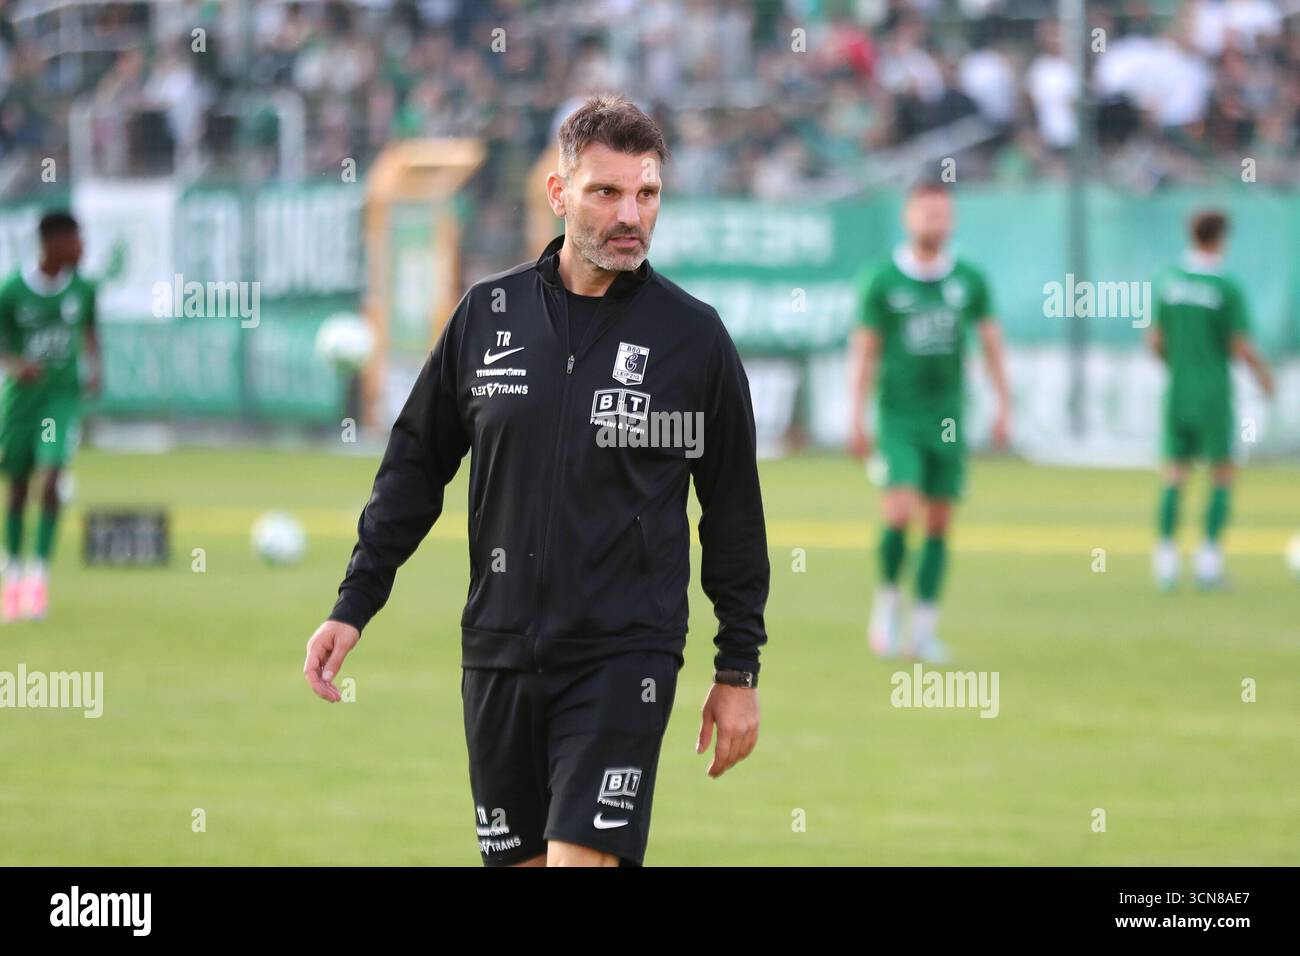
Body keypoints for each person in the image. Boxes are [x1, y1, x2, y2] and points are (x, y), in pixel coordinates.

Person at [304, 94, 770, 867]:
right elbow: (415, 470)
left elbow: (732, 514)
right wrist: (355, 603)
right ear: (559, 195)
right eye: (607, 192)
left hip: (624, 658)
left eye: (647, 194)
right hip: (497, 654)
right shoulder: (487, 315)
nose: (632, 215)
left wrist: (738, 667)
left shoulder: (693, 339)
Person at [847, 181, 1010, 663]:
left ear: (951, 221)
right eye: (926, 214)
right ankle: (886, 605)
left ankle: (923, 629)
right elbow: (865, 349)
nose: (933, 222)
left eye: (942, 215)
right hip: (898, 417)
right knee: (899, 511)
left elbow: (992, 341)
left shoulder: (970, 280)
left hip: (950, 419)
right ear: (908, 217)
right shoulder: (882, 280)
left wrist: (1005, 403)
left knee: (939, 522)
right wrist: (855, 414)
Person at [1149, 209, 1274, 591]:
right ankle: (1208, 563)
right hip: (1214, 393)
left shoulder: (1168, 281)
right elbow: (1240, 345)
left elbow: (1155, 340)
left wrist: (1177, 366)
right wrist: (1265, 377)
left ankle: (1166, 562)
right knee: (1221, 474)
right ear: (1220, 238)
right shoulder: (1226, 287)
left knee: (1174, 473)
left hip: (1177, 389)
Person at [0, 211, 100, 621]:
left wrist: (96, 366)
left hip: (61, 398)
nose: (82, 248)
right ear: (53, 242)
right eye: (76, 241)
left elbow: (91, 329)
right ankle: (13, 575)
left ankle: (39, 577)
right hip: (22, 402)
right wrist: (13, 364)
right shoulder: (11, 290)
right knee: (19, 487)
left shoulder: (83, 289)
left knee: (53, 474)